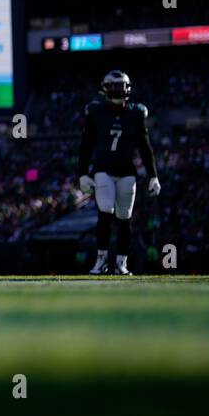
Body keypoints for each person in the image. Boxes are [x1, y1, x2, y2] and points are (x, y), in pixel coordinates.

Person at [77, 70, 160, 275]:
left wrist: (153, 175)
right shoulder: (96, 112)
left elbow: (145, 146)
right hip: (103, 169)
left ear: (127, 90)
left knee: (124, 217)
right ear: (105, 89)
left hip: (126, 172)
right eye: (113, 87)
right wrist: (82, 173)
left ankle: (121, 263)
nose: (116, 91)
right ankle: (101, 260)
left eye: (119, 87)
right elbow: (86, 144)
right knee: (105, 211)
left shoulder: (136, 113)